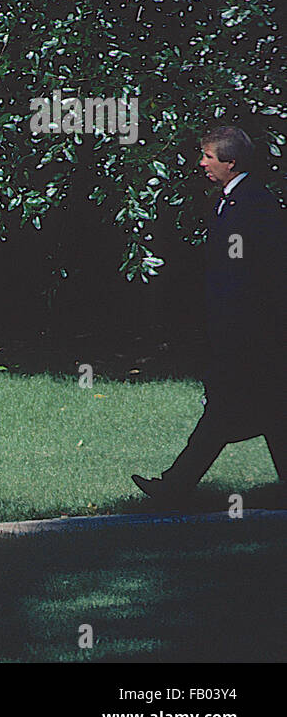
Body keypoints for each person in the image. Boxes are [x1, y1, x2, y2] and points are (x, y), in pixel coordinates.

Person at [133, 126, 287, 502]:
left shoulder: (254, 204)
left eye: (209, 157)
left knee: (226, 411)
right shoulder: (232, 200)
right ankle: (175, 485)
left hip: (250, 333)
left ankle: (174, 487)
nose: (202, 163)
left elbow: (254, 272)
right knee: (271, 413)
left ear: (230, 162)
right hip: (242, 331)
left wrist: (236, 328)